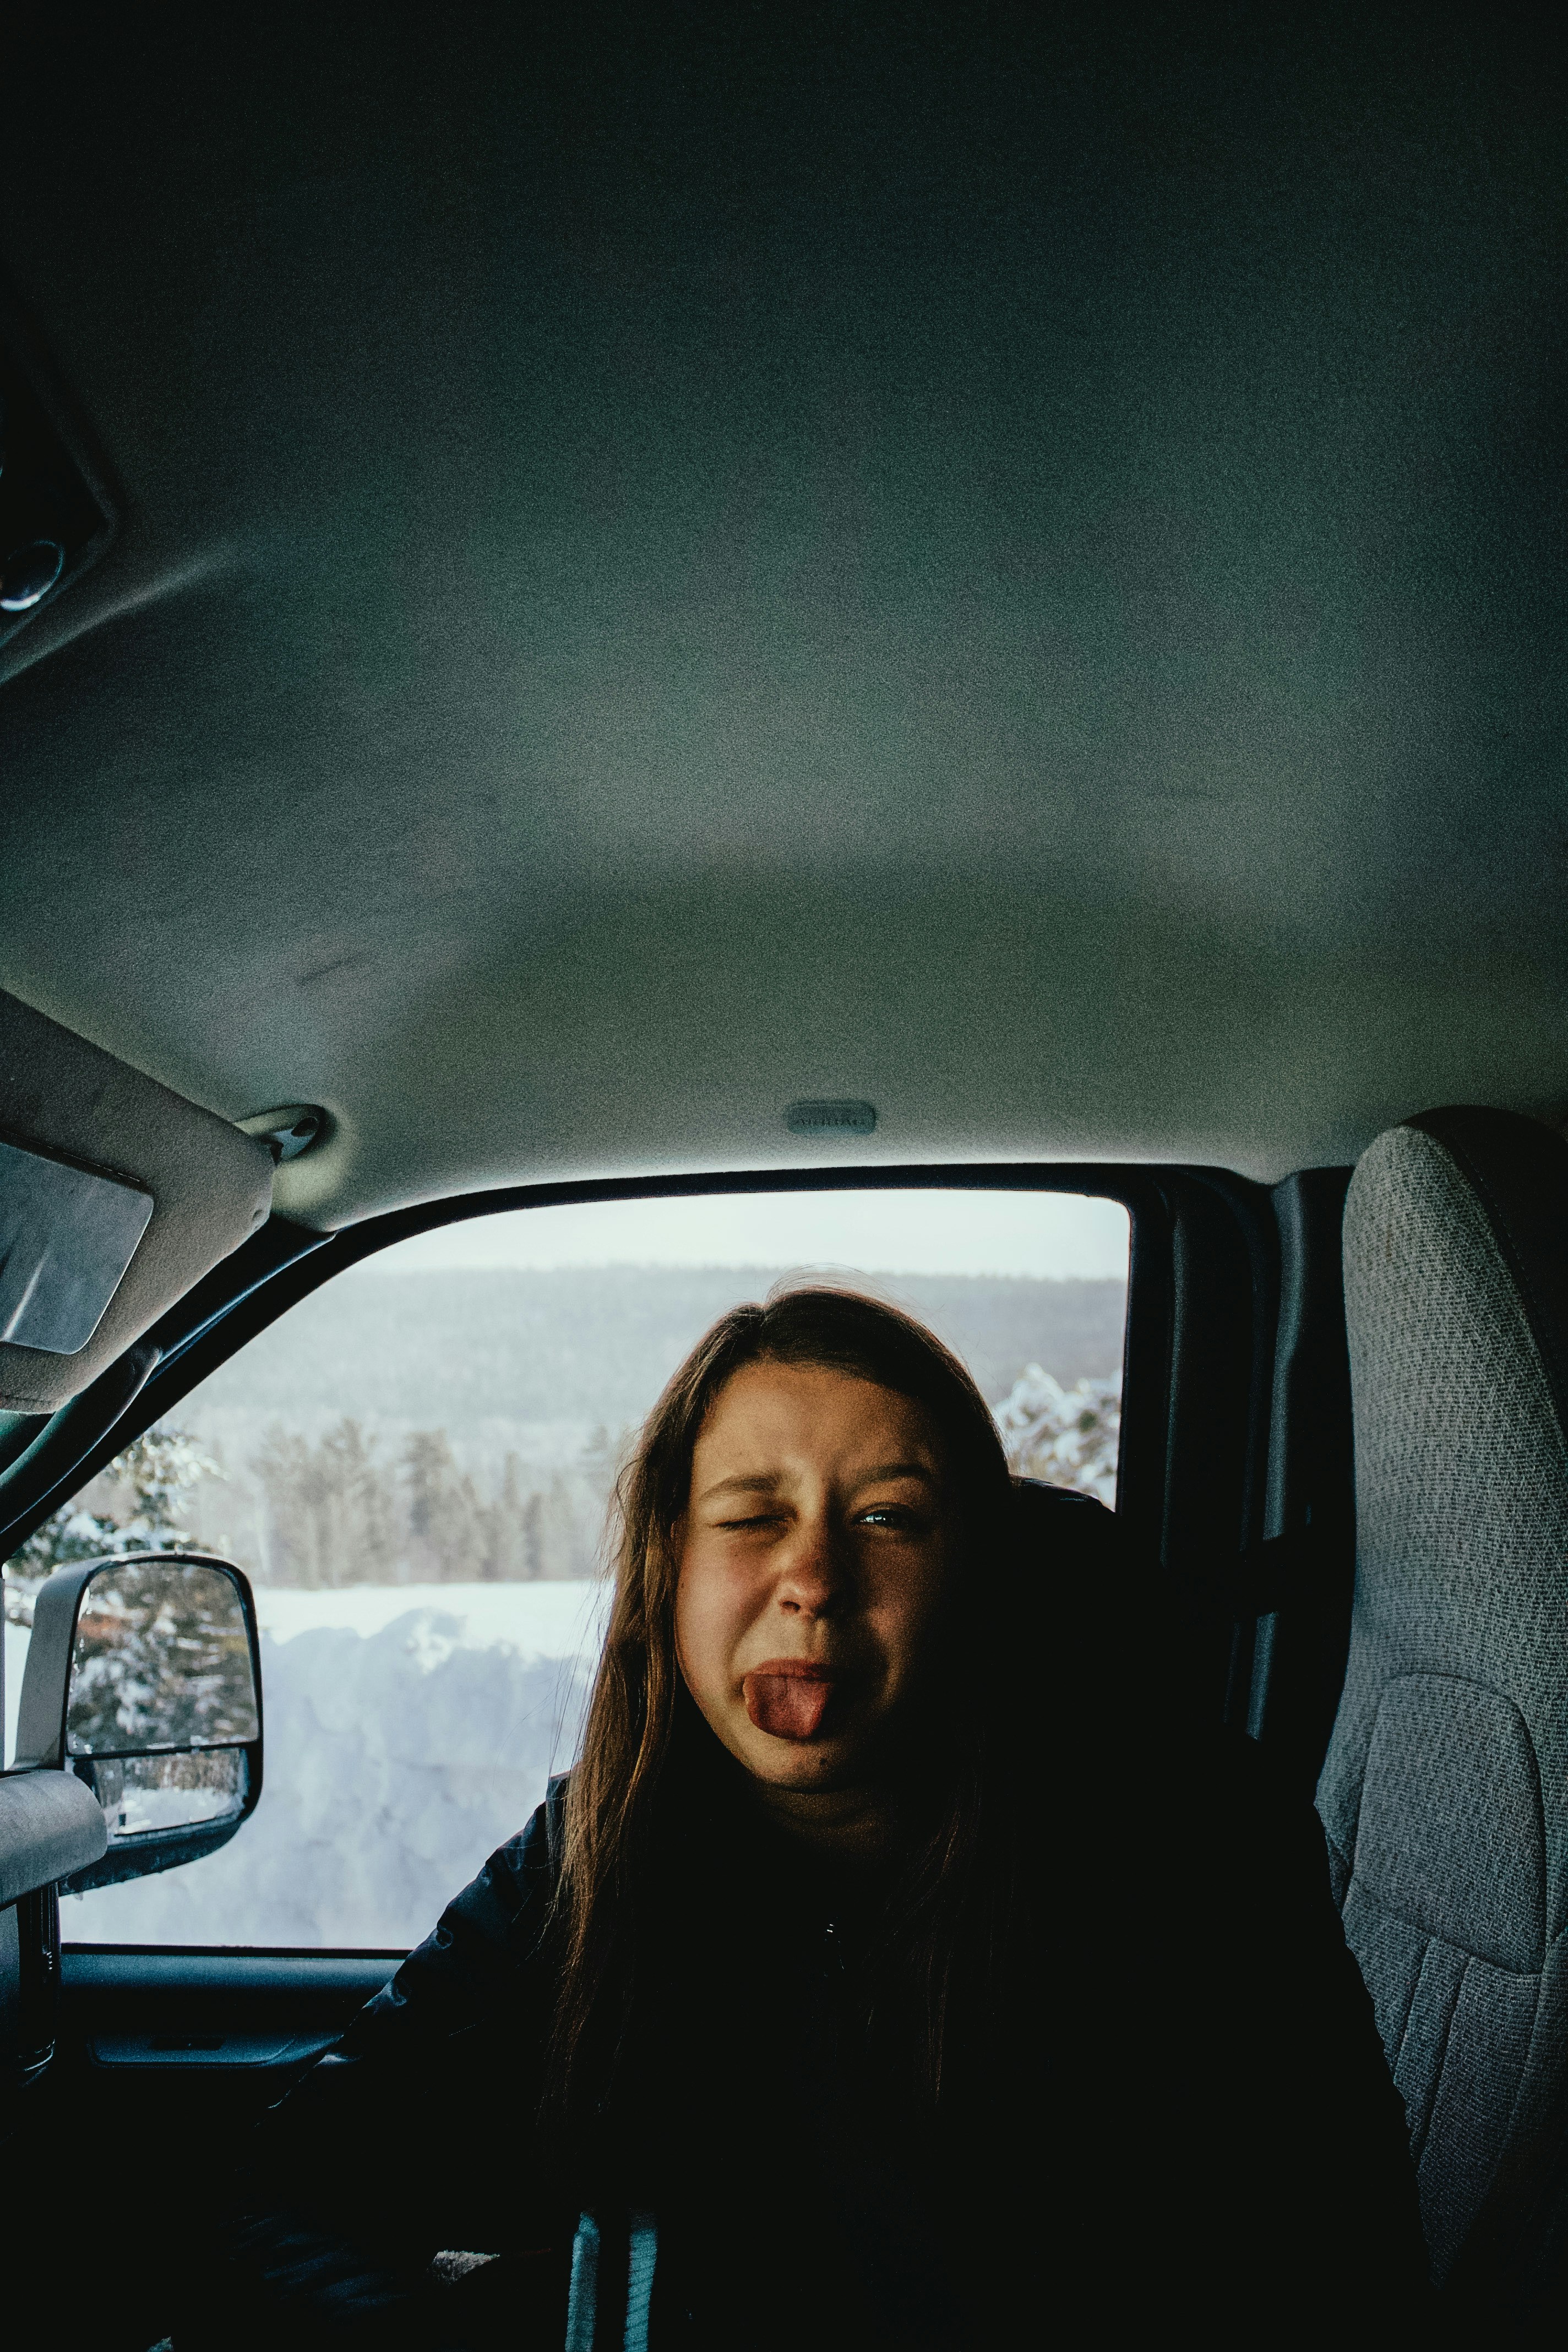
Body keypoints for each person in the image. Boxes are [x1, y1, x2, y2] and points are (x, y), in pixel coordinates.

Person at [187, 1286, 1429, 2348]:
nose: (813, 1583)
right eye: (749, 1517)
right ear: (668, 1573)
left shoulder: (1186, 1868)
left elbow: (1336, 2290)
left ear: (974, 1586)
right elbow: (284, 2194)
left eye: (888, 1519)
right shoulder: (594, 1858)